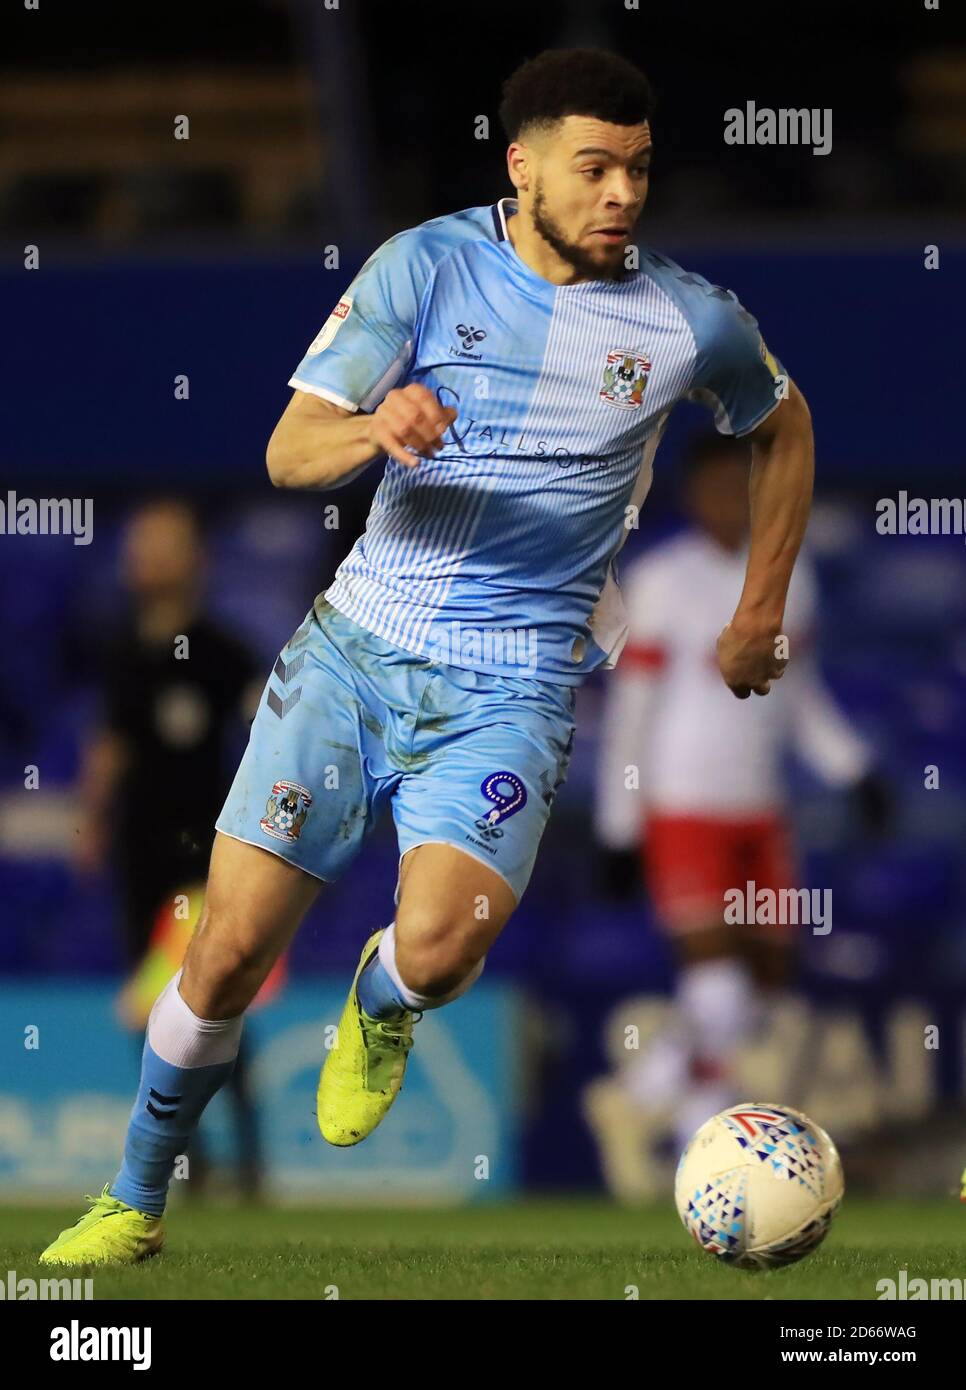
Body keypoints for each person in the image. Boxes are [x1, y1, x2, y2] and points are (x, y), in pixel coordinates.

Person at [41, 47, 815, 1265]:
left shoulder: (684, 319)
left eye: (640, 170)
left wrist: (758, 604)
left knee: (445, 948)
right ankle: (134, 1198)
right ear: (523, 167)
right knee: (228, 949)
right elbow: (289, 453)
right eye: (594, 167)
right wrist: (372, 424)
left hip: (513, 685)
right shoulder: (425, 263)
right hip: (356, 657)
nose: (622, 194)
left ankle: (384, 1003)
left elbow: (782, 422)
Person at [594, 433, 888, 1154]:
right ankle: (704, 1138)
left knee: (765, 978)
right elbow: (632, 713)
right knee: (716, 976)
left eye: (744, 489)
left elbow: (802, 697)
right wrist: (618, 826)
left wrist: (853, 769)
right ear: (694, 496)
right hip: (683, 804)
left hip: (761, 807)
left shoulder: (794, 578)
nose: (731, 503)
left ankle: (667, 1071)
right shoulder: (663, 580)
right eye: (718, 488)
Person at [73, 498, 272, 1199]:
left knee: (212, 1003)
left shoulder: (224, 651)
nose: (148, 559)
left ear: (198, 559)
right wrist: (92, 820)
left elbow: (268, 737)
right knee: (149, 1009)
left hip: (203, 861)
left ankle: (247, 1164)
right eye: (141, 545)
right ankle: (187, 1165)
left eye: (165, 545)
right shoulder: (123, 651)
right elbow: (111, 745)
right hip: (141, 855)